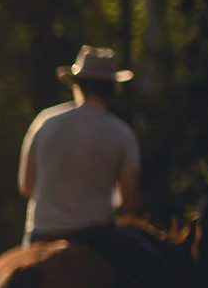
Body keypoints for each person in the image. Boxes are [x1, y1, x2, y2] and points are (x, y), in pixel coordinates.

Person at [19, 48, 141, 245]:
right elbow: (130, 204)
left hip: (42, 233)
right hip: (96, 237)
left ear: (76, 84)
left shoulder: (44, 122)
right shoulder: (122, 133)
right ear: (112, 87)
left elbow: (27, 187)